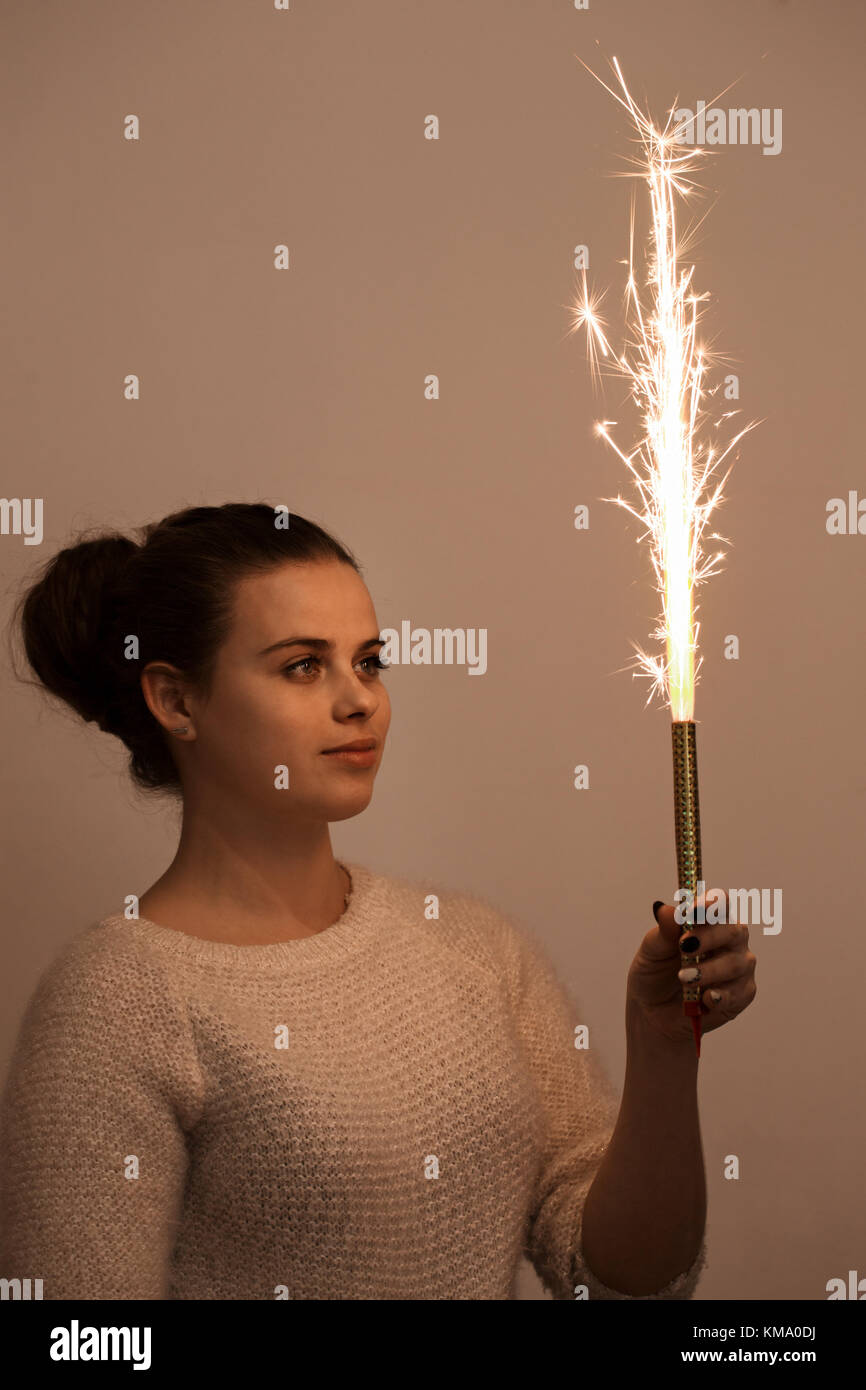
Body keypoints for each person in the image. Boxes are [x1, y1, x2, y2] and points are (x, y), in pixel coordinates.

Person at [0, 502, 755, 1299]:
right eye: (302, 665)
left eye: (369, 661)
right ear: (177, 702)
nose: (359, 700)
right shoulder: (113, 1000)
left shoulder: (476, 949)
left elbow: (623, 1280)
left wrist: (663, 1047)